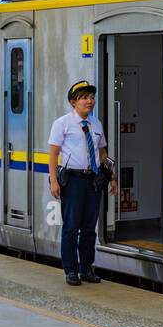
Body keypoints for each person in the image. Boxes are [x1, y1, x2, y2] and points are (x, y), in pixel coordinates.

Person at [48, 81, 117, 286]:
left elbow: (103, 153)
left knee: (89, 227)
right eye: (85, 98)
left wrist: (111, 177)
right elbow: (53, 154)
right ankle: (70, 270)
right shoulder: (62, 124)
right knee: (71, 226)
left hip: (93, 180)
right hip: (73, 180)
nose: (90, 101)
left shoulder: (96, 124)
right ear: (73, 102)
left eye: (92, 97)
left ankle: (87, 268)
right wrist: (54, 181)